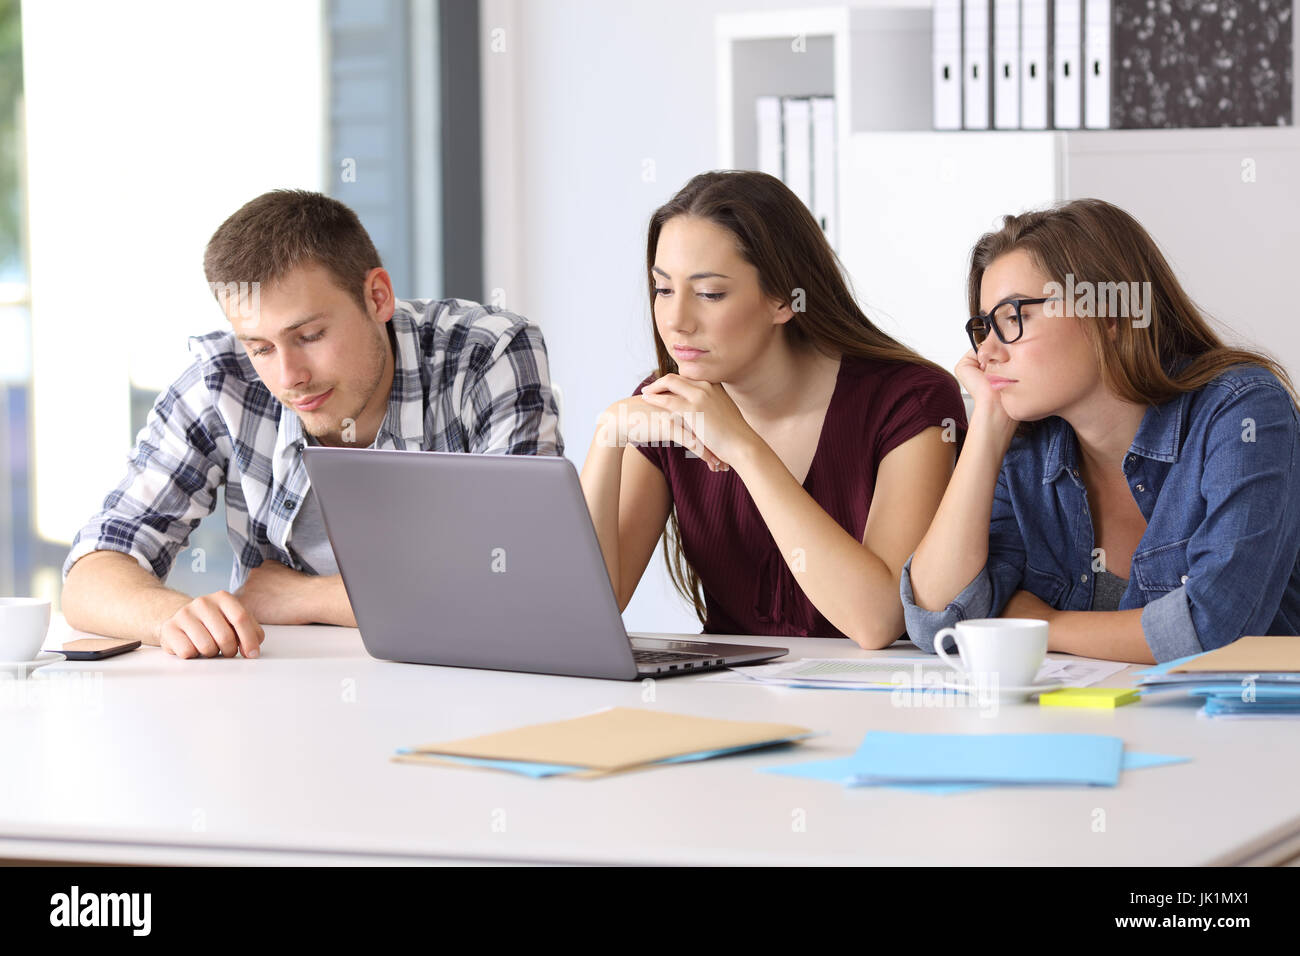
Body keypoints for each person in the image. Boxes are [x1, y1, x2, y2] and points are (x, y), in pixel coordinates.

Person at [62, 190, 563, 660]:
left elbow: (520, 586)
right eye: (260, 347)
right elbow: (91, 575)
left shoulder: (487, 354)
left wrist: (307, 598)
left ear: (378, 296)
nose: (289, 378)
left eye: (310, 335)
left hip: (465, 690)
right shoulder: (221, 380)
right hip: (283, 693)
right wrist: (172, 615)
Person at [903, 198, 1300, 664]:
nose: (986, 351)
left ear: (1110, 315)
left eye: (1013, 318)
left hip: (1238, 729)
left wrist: (1041, 624)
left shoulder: (1243, 411)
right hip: (1084, 726)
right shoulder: (1024, 444)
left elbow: (1214, 630)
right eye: (983, 327)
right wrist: (988, 425)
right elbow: (938, 623)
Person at [580, 170, 967, 648]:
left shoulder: (911, 402)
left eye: (709, 294)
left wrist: (742, 447)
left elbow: (877, 620)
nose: (676, 320)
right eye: (663, 290)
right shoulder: (666, 407)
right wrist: (606, 440)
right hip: (730, 702)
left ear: (783, 297)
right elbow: (585, 612)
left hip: (873, 698)